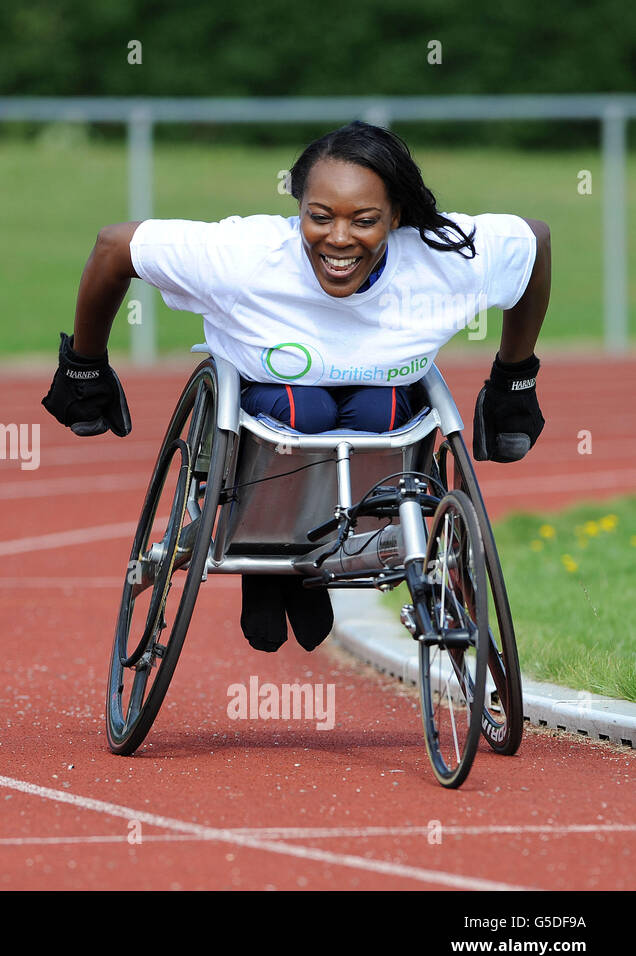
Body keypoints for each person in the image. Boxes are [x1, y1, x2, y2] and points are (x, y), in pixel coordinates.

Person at [43, 120, 549, 653]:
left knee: (384, 409)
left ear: (396, 218)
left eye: (365, 221)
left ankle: (324, 557)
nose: (339, 238)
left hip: (383, 408)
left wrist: (515, 378)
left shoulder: (440, 257)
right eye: (320, 217)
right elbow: (113, 247)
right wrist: (85, 365)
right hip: (272, 409)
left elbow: (533, 242)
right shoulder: (243, 257)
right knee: (300, 405)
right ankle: (272, 565)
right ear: (299, 209)